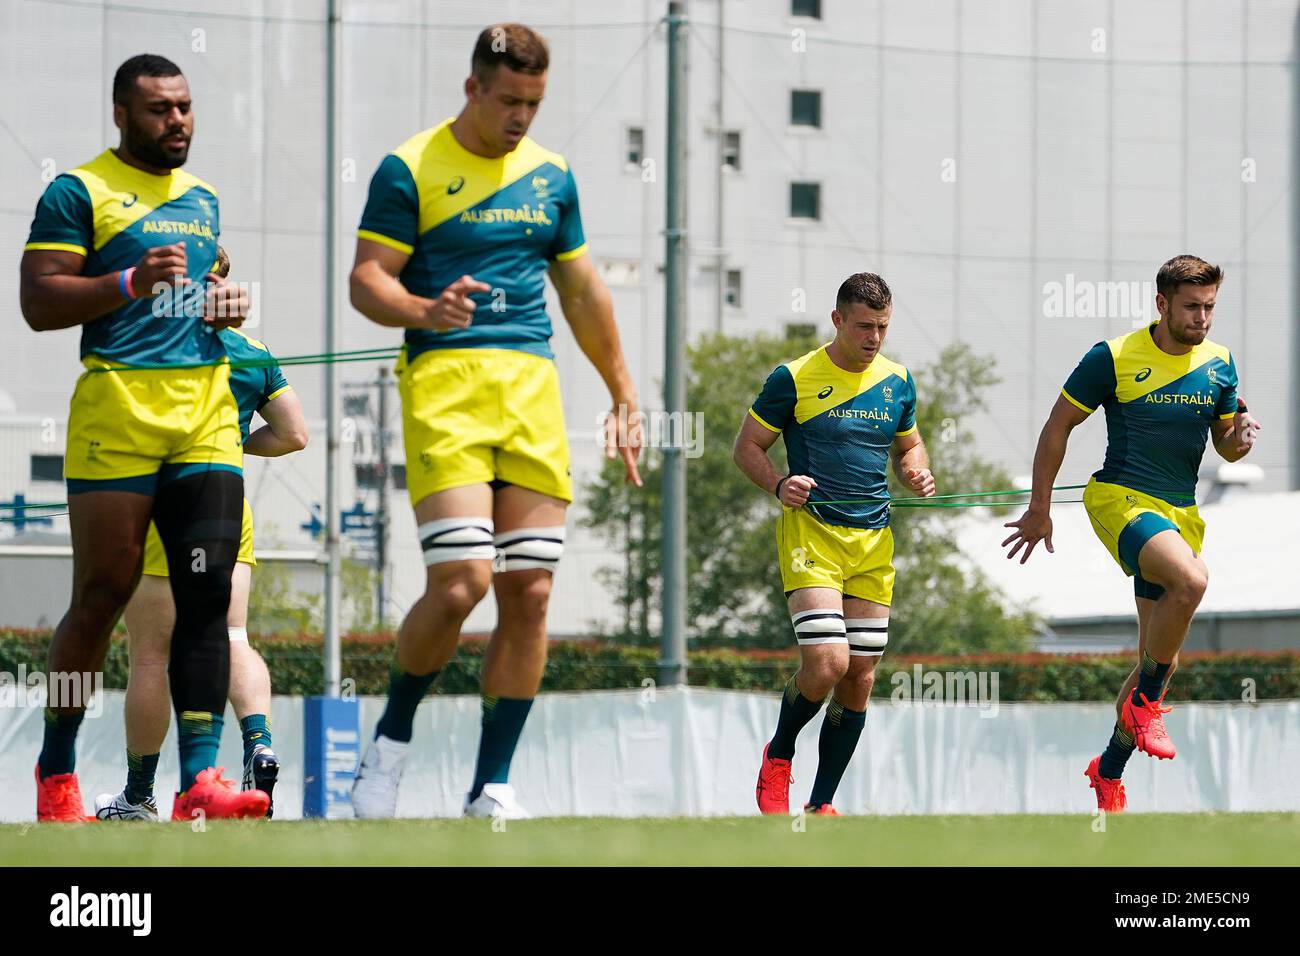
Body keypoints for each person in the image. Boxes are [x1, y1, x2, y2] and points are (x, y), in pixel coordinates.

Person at [348, 23, 641, 819]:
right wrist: (422, 308)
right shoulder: (408, 168)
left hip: (532, 388)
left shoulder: (553, 177)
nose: (521, 117)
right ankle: (389, 745)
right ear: (472, 88)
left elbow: (581, 292)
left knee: (532, 593)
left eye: (535, 103)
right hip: (444, 382)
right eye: (509, 99)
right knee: (462, 582)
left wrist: (622, 392)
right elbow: (367, 280)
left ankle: (491, 786)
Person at [20, 54, 263, 821]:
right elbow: (38, 300)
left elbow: (199, 288)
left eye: (186, 107)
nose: (178, 121)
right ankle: (57, 768)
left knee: (207, 596)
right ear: (122, 115)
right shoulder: (77, 191)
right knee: (99, 600)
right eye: (160, 109)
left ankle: (200, 781)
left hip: (204, 413)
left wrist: (221, 304)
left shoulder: (204, 198)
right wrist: (128, 282)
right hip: (117, 410)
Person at [1002, 254, 1261, 812]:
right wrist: (1039, 507)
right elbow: (1058, 425)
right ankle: (1145, 706)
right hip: (1120, 500)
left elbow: (1227, 446)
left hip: (1182, 513)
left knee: (1155, 657)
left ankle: (1108, 770)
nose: (1202, 318)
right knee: (1192, 582)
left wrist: (1240, 435)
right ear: (1162, 304)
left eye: (1210, 307)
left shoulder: (1219, 365)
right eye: (1191, 307)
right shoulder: (1113, 357)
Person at [94, 247, 309, 821]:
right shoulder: (255, 352)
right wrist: (230, 442)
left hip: (164, 505)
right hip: (227, 501)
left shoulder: (142, 340)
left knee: (150, 656)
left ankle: (139, 797)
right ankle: (258, 744)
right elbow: (294, 434)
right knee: (232, 634)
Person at [734, 272, 935, 816]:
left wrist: (916, 470)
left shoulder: (898, 381)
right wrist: (779, 483)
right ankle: (778, 755)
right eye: (865, 326)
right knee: (826, 663)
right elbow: (747, 447)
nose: (874, 338)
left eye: (883, 327)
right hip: (813, 535)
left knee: (861, 675)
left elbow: (909, 446)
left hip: (873, 540)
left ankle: (821, 805)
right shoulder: (794, 378)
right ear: (838, 320)